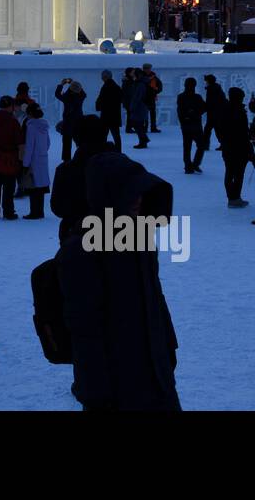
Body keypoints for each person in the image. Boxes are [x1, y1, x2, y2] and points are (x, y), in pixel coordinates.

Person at [57, 148, 180, 410]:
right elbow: (83, 327)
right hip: (115, 385)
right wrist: (95, 393)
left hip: (155, 376)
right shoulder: (81, 250)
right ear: (106, 196)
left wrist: (168, 350)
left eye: (140, 191)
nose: (137, 199)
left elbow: (155, 299)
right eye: (128, 192)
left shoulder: (140, 238)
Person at [51, 115, 111, 242]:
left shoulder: (66, 170)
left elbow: (58, 208)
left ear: (76, 139)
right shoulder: (125, 167)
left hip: (76, 235)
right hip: (118, 237)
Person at [0, 96, 24, 220]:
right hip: (10, 158)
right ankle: (8, 211)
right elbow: (19, 141)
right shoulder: (13, 121)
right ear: (10, 106)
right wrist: (21, 159)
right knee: (9, 187)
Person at [215, 88, 251, 209]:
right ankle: (235, 197)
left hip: (228, 146)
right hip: (240, 146)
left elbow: (219, 128)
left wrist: (222, 141)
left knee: (230, 172)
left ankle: (232, 198)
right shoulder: (239, 111)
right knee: (238, 173)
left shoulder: (223, 110)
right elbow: (243, 132)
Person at [20, 102, 51, 219]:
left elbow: (29, 146)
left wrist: (25, 163)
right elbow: (48, 143)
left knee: (33, 187)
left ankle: (34, 212)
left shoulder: (31, 126)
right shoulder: (44, 125)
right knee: (41, 187)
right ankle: (40, 211)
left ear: (30, 113)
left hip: (33, 160)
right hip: (43, 158)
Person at [176, 77, 206, 174]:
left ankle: (188, 166)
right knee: (201, 145)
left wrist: (184, 120)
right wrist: (195, 113)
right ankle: (195, 164)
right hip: (195, 125)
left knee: (187, 146)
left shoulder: (181, 96)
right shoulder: (197, 97)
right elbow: (204, 108)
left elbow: (179, 111)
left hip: (186, 125)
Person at [56, 78, 86, 163]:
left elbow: (57, 94)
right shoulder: (81, 97)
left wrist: (62, 84)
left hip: (68, 122)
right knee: (79, 141)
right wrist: (74, 83)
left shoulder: (67, 97)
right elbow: (82, 92)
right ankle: (81, 157)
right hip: (79, 121)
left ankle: (66, 160)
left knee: (66, 143)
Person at [95, 69, 123, 153]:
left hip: (106, 116)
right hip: (115, 115)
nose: (102, 78)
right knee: (116, 136)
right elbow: (121, 99)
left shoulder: (105, 87)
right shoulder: (116, 87)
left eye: (103, 77)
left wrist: (98, 106)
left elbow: (101, 100)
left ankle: (102, 152)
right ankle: (118, 152)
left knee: (103, 136)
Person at [122, 68, 149, 149]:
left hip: (139, 107)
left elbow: (137, 97)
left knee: (137, 124)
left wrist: (132, 106)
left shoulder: (140, 84)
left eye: (134, 74)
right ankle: (143, 140)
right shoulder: (140, 82)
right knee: (137, 124)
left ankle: (143, 141)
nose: (132, 75)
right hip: (140, 106)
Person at [201, 74, 226, 152]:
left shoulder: (212, 89)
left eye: (206, 81)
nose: (205, 83)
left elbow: (211, 102)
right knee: (217, 130)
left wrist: (203, 109)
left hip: (214, 113)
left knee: (209, 130)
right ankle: (223, 144)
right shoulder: (216, 88)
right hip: (216, 113)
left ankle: (205, 145)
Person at [142, 63, 163, 133]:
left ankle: (153, 127)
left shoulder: (154, 77)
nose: (147, 70)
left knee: (152, 114)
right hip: (143, 98)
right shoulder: (141, 76)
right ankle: (145, 128)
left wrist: (156, 91)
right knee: (144, 114)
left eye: (148, 68)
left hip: (151, 98)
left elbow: (160, 86)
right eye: (146, 68)